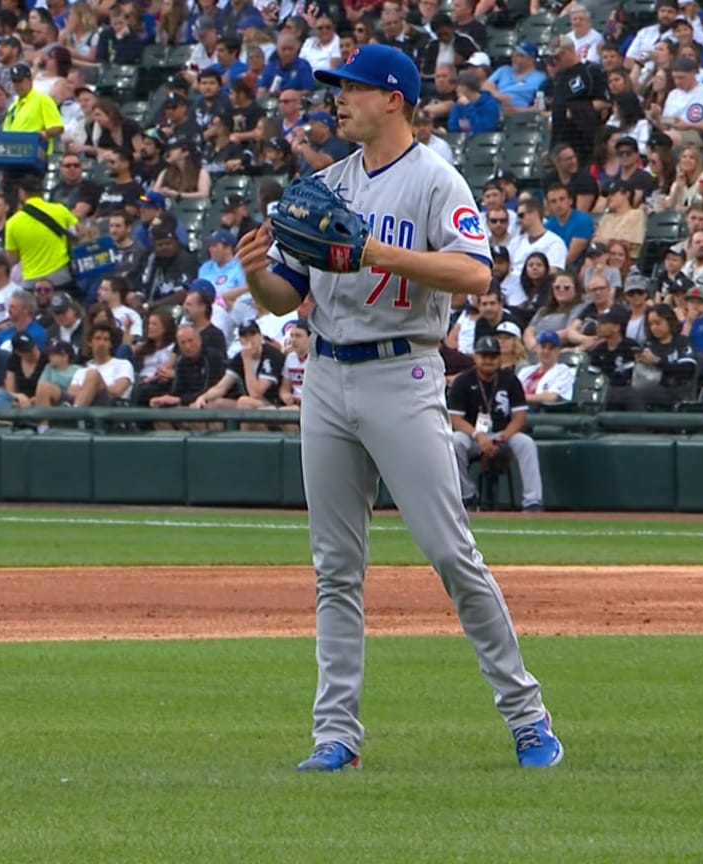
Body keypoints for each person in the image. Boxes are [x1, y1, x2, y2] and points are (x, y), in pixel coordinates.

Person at [233, 45, 560, 771]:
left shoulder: (435, 181)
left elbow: (476, 272)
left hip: (402, 373)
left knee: (451, 553)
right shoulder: (325, 183)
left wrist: (378, 253)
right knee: (335, 568)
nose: (337, 99)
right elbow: (290, 294)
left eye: (351, 89)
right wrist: (260, 278)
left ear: (394, 98)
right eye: (336, 89)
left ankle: (528, 716)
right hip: (325, 375)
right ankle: (336, 736)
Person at [448, 334, 543, 511]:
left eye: (493, 356)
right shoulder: (463, 381)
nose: (488, 360)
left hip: (503, 434)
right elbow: (456, 419)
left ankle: (532, 500)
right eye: (484, 356)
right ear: (475, 357)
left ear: (500, 358)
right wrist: (479, 436)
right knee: (454, 442)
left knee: (526, 443)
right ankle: (468, 495)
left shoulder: (510, 380)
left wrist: (502, 438)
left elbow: (519, 416)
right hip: (472, 436)